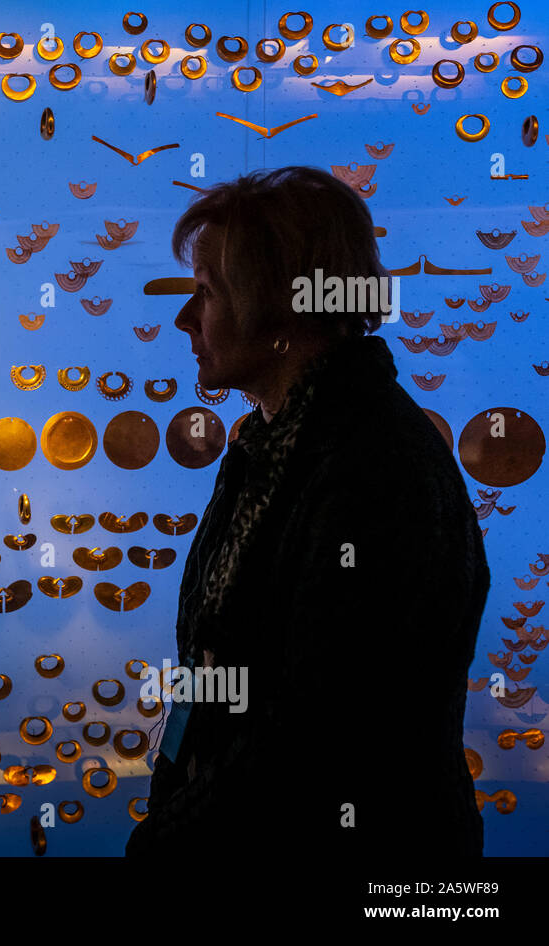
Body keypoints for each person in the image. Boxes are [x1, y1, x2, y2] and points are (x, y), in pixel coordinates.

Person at [124, 167, 489, 857]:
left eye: (205, 292)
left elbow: (319, 735)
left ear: (273, 305)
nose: (184, 318)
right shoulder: (275, 444)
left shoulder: (374, 466)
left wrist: (164, 843)